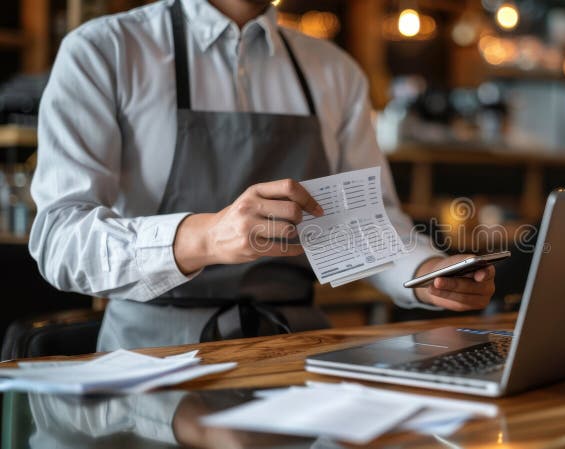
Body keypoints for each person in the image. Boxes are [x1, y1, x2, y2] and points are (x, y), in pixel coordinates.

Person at [29, 0, 496, 351]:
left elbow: (366, 225)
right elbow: (60, 239)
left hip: (295, 349)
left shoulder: (334, 72)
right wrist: (207, 237)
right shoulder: (103, 51)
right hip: (150, 361)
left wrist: (428, 272)